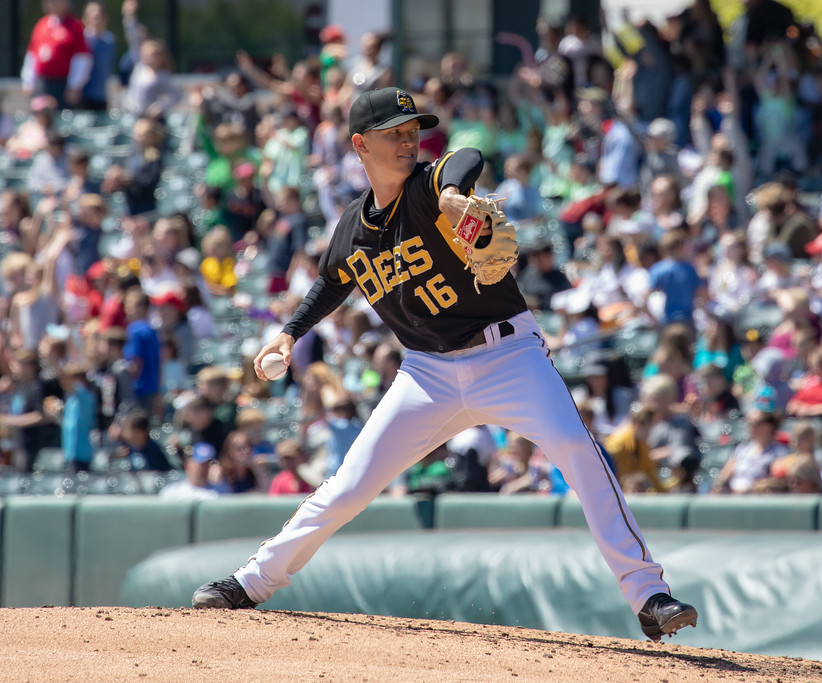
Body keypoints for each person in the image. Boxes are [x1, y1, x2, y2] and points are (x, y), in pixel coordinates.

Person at [192, 87, 698, 641]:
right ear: (361, 145)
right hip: (427, 373)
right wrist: (289, 334)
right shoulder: (351, 229)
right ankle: (253, 581)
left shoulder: (430, 187)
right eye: (394, 134)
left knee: (578, 449)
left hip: (508, 355)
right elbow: (333, 280)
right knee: (349, 484)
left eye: (413, 131)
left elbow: (463, 159)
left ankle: (648, 593)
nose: (409, 141)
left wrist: (455, 195)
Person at [21, 0, 93, 109]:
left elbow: (82, 58)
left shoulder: (75, 26)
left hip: (62, 85)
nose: (50, 3)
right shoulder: (41, 24)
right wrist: (28, 82)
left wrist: (74, 86)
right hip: (43, 83)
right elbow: (32, 56)